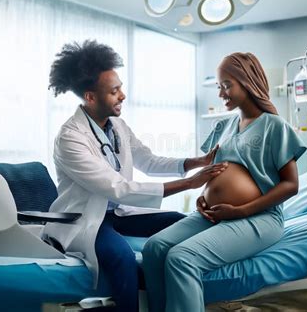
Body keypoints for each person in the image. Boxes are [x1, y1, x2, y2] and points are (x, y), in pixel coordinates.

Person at [43, 40, 227, 312]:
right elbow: (118, 188)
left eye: (121, 88)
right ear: (91, 97)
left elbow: (148, 160)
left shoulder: (116, 125)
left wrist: (194, 162)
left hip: (120, 214)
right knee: (122, 258)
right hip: (88, 219)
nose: (123, 96)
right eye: (114, 91)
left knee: (181, 223)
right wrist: (189, 184)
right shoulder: (70, 138)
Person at [142, 52, 307, 312]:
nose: (221, 93)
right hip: (216, 214)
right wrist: (204, 198)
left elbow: (291, 185)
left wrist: (241, 210)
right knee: (154, 248)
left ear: (247, 82)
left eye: (227, 85)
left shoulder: (274, 126)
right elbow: (213, 172)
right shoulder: (224, 126)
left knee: (182, 257)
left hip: (260, 218)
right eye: (220, 86)